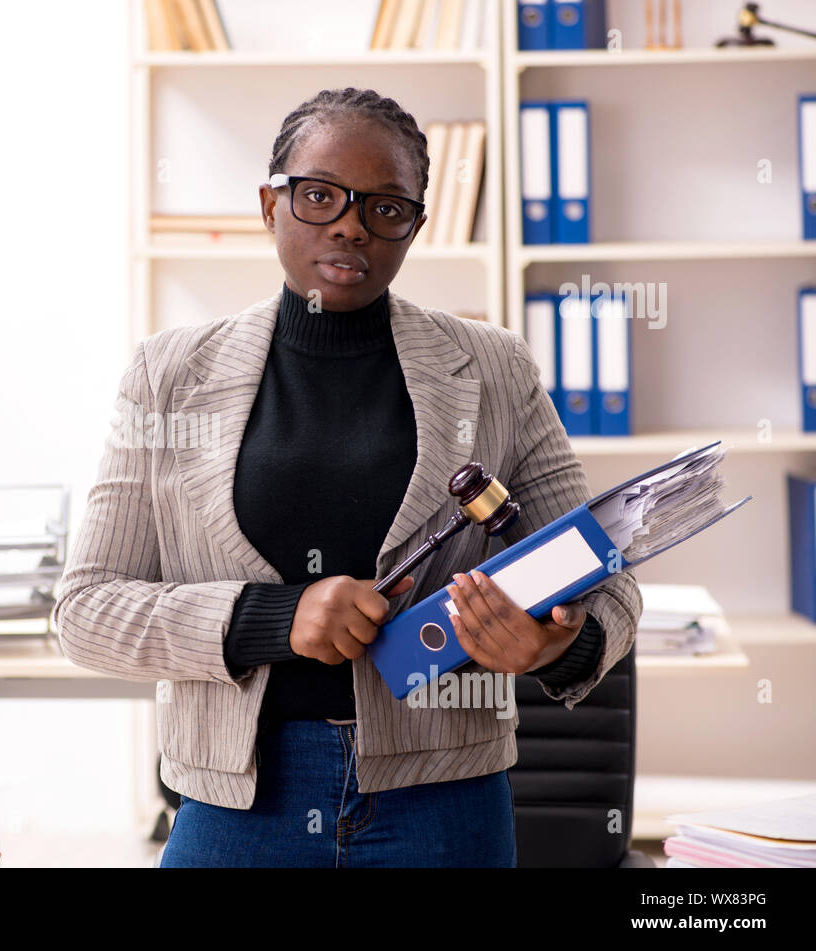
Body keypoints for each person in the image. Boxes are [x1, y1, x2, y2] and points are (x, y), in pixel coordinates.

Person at [54, 87, 642, 867]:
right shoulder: (168, 374)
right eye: (319, 195)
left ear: (416, 228)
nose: (351, 224)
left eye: (386, 207)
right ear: (270, 205)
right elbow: (86, 608)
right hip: (240, 798)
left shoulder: (494, 368)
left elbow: (609, 582)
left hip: (443, 798)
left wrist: (549, 648)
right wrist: (275, 617)